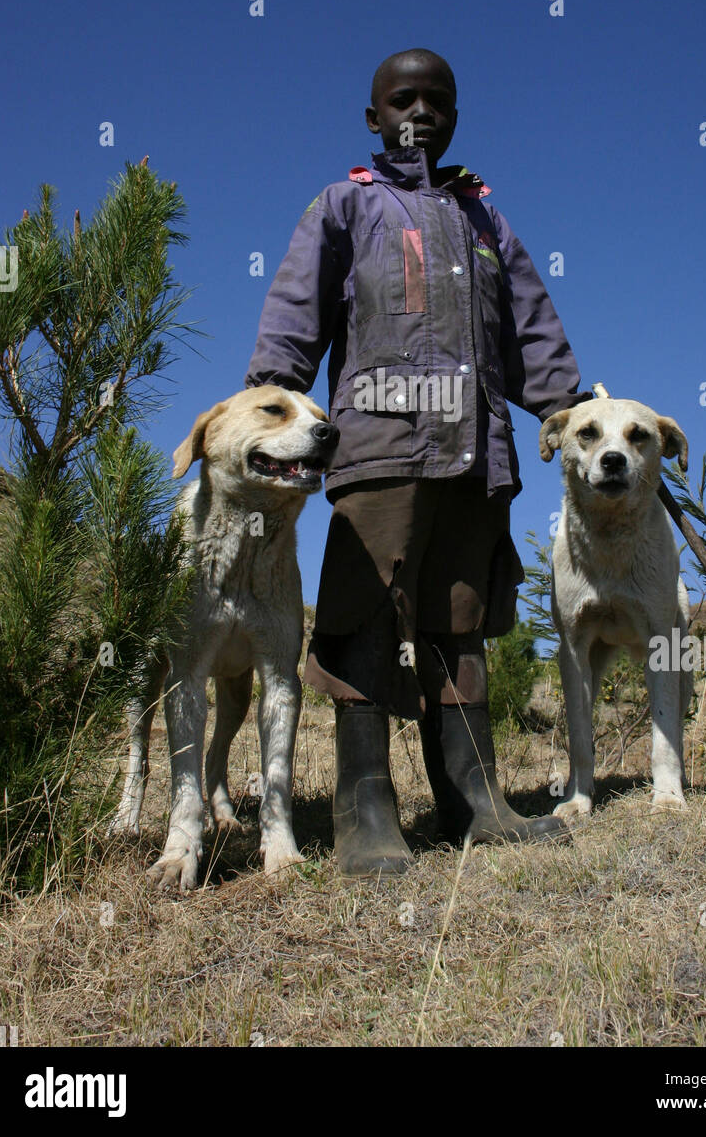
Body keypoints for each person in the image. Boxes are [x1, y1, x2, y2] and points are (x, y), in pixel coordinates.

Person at [246, 47, 593, 875]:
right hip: (378, 449)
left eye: (438, 100)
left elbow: (531, 330)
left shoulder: (486, 223)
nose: (421, 111)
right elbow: (294, 312)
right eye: (403, 98)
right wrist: (269, 404)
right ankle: (365, 811)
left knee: (458, 622)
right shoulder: (344, 207)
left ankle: (475, 802)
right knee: (363, 617)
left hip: (475, 461)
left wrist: (572, 408)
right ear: (374, 118)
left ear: (456, 116)